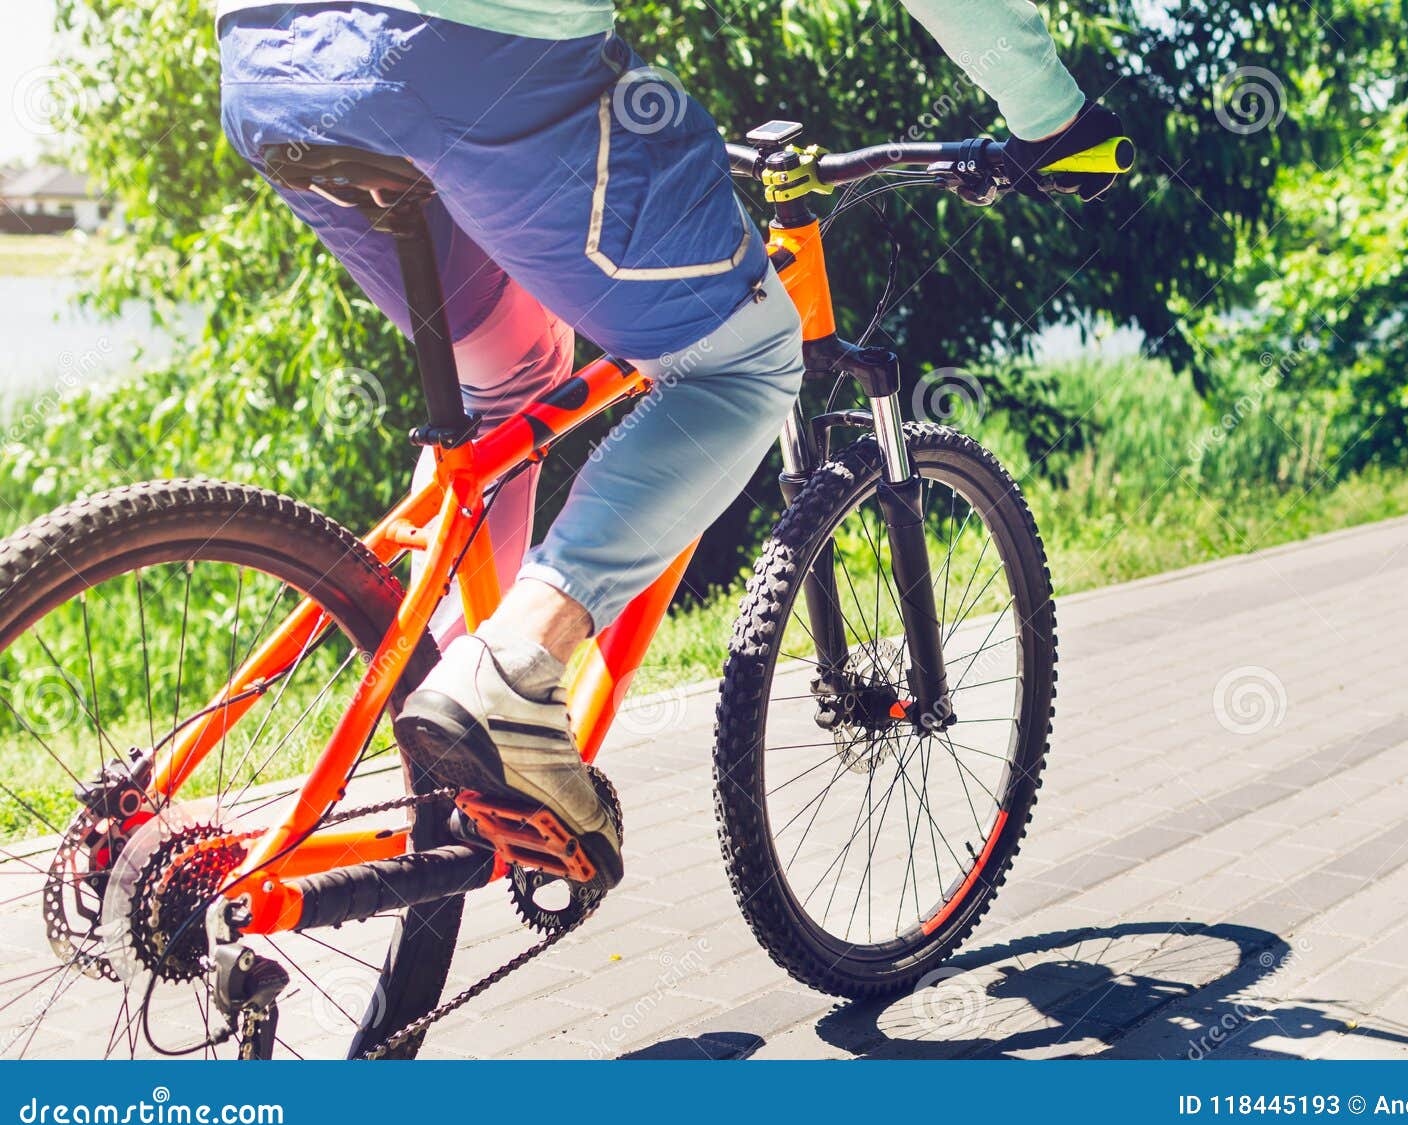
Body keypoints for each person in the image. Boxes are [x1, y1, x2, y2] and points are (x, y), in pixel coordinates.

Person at [216, 0, 1124, 891]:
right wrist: (1052, 116)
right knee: (745, 363)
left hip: (268, 61)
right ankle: (512, 672)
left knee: (511, 367)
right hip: (470, 50)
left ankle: (435, 688)